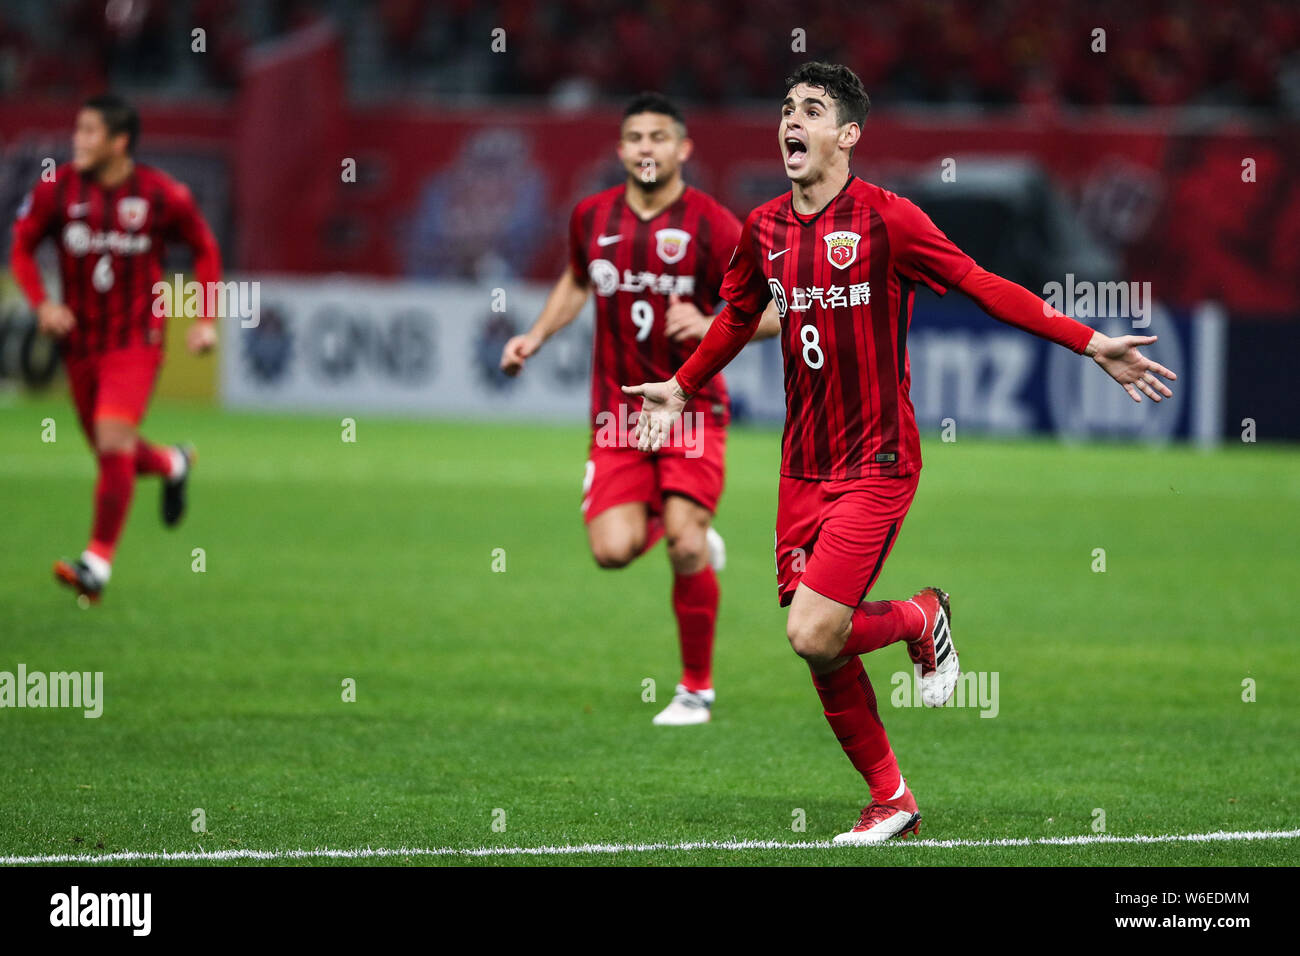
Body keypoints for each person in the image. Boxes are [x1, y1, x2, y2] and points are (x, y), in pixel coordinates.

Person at [623, 63, 1176, 838]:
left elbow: (984, 284)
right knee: (822, 646)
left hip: (877, 463)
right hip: (799, 466)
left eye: (811, 110)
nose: (792, 120)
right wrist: (681, 386)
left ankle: (922, 620)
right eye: (786, 108)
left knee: (812, 630)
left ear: (847, 135)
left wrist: (1090, 343)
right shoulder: (764, 229)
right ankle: (894, 800)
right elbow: (735, 315)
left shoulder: (889, 220)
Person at [501, 93, 780, 725]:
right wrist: (536, 336)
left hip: (692, 406)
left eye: (659, 137)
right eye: (635, 137)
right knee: (612, 551)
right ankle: (686, 525)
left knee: (682, 545)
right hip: (617, 416)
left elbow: (776, 305)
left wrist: (711, 320)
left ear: (683, 149)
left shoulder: (714, 225)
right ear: (621, 150)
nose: (646, 147)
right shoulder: (592, 218)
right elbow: (577, 279)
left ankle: (695, 689)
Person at [10, 94, 222, 604]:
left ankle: (96, 564)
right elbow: (21, 246)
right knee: (114, 451)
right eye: (77, 130)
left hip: (136, 338)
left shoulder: (160, 195)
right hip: (80, 343)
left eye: (89, 132)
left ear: (118, 141)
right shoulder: (56, 190)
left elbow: (205, 247)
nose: (77, 141)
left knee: (111, 441)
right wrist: (42, 304)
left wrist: (205, 317)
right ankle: (173, 464)